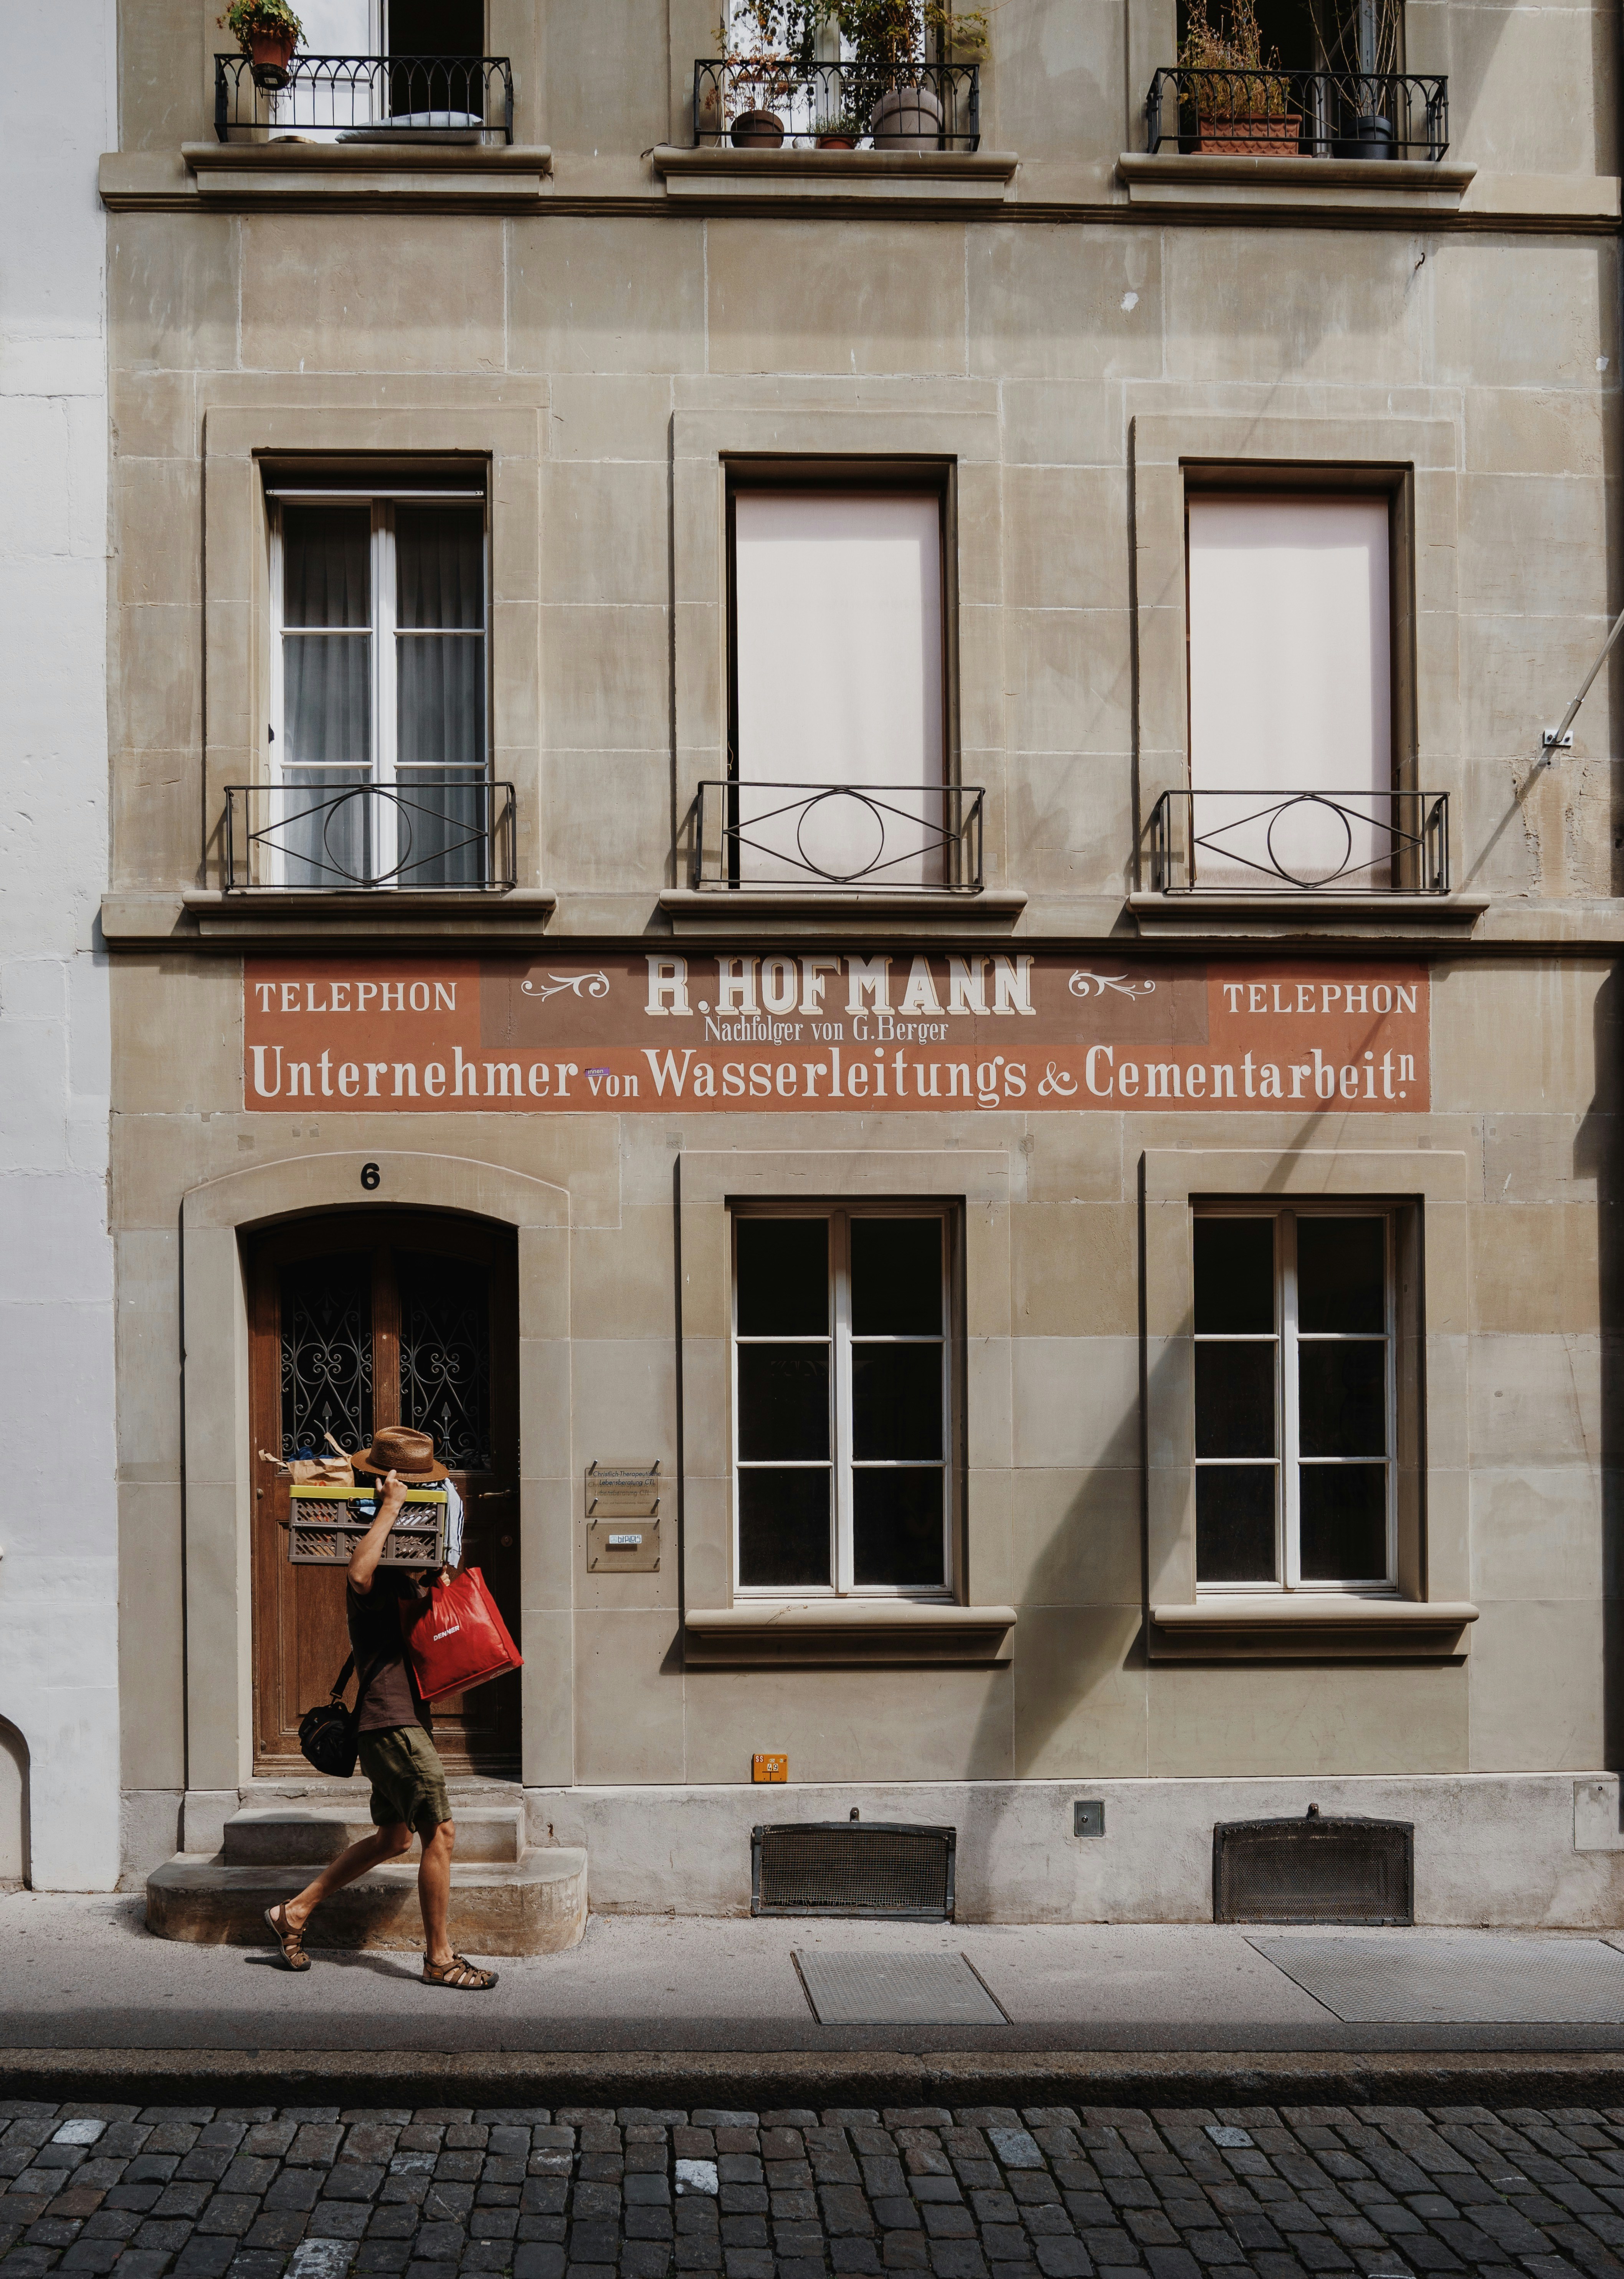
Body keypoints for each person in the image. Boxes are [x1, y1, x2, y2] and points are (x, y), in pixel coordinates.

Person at [262, 1425, 498, 1990]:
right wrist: (390, 1508)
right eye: (405, 1487)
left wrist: (437, 1576)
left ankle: (293, 1912)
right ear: (388, 1483)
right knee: (439, 1831)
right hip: (388, 1716)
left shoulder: (404, 1563)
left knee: (395, 1837)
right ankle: (439, 1957)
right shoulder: (372, 1552)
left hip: (403, 1713)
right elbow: (359, 1572)